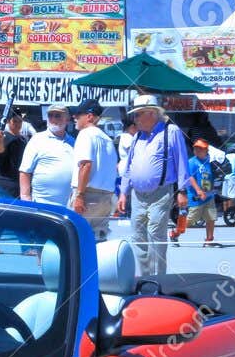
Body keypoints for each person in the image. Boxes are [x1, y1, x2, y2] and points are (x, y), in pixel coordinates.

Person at [117, 94, 189, 277]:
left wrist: (182, 190)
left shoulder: (170, 131)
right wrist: (123, 192)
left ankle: (159, 278)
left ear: (150, 113)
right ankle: (145, 276)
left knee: (156, 232)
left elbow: (182, 162)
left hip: (161, 192)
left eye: (138, 114)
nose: (135, 119)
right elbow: (129, 165)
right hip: (137, 194)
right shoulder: (137, 137)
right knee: (138, 236)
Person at [70, 99, 117, 238]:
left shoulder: (86, 134)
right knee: (99, 240)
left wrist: (79, 195)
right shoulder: (108, 139)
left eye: (78, 114)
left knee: (78, 240)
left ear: (89, 116)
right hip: (106, 197)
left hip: (88, 196)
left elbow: (86, 165)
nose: (74, 117)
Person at [17, 103, 76, 208]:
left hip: (68, 206)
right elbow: (25, 171)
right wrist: (26, 199)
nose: (53, 118)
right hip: (41, 205)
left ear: (67, 120)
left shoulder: (73, 142)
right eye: (50, 115)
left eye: (57, 115)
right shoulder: (37, 139)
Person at [185, 138, 220, 247]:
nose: (197, 150)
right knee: (191, 219)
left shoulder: (209, 162)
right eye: (195, 148)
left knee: (211, 217)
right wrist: (198, 190)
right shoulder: (192, 161)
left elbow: (212, 176)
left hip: (209, 196)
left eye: (200, 149)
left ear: (206, 150)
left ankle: (209, 240)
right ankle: (175, 232)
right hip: (196, 196)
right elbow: (190, 177)